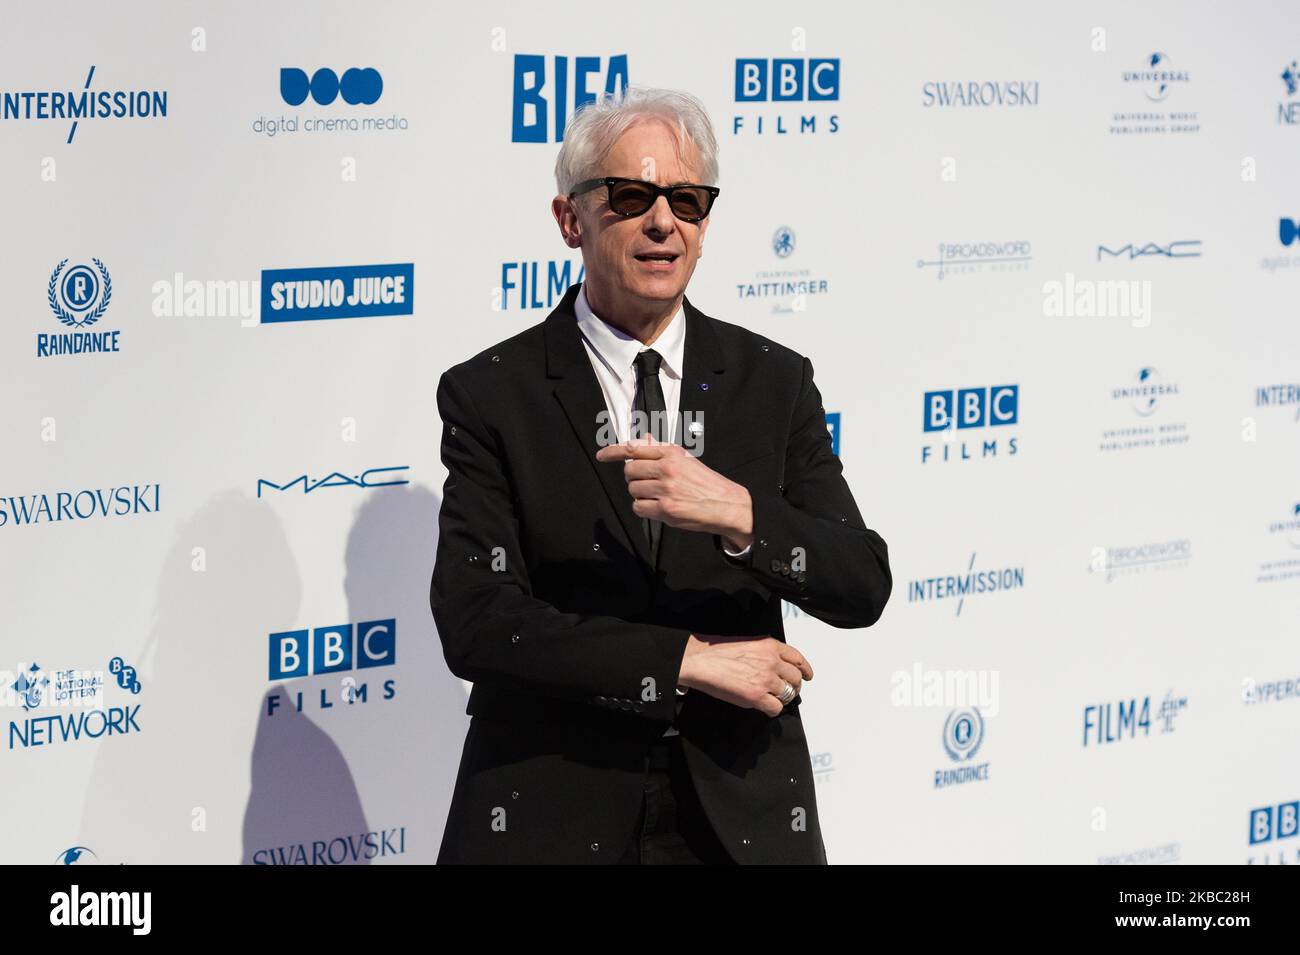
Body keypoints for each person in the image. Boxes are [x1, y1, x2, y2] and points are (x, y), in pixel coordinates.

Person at [431, 86, 891, 864]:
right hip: (552, 809)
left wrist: (743, 515)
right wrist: (687, 660)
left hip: (737, 813)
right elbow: (477, 621)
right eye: (632, 195)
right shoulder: (492, 392)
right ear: (569, 219)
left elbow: (860, 582)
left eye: (687, 199)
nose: (662, 222)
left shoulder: (771, 381)